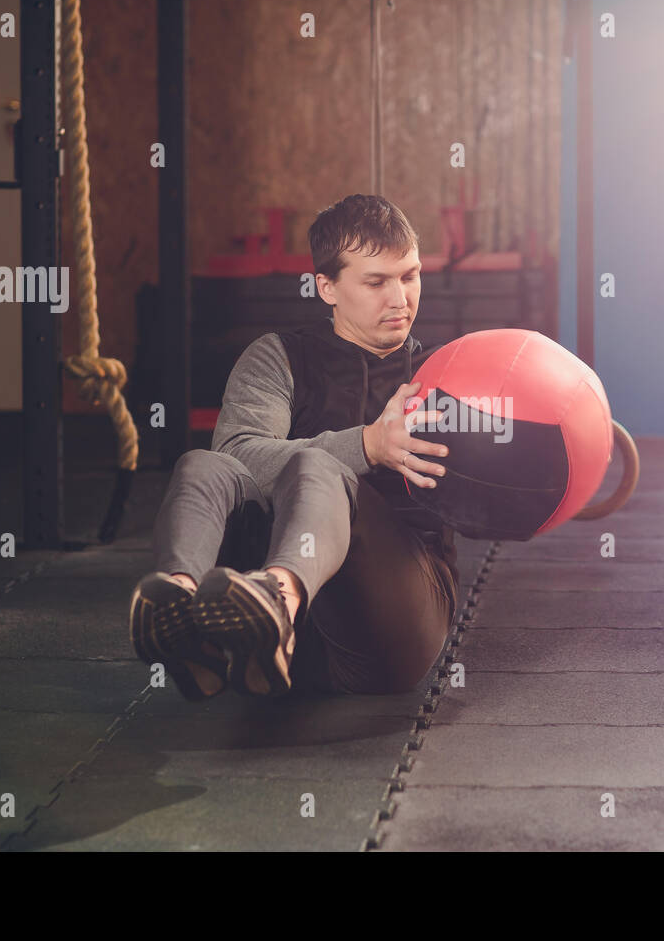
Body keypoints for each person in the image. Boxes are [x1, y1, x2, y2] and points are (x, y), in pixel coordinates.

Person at [129, 194, 460, 700]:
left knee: (317, 467)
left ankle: (277, 606)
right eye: (376, 282)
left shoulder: (446, 373)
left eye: (410, 276)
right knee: (202, 465)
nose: (400, 299)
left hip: (393, 624)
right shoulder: (278, 357)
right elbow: (238, 456)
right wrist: (369, 445)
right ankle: (185, 619)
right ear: (326, 287)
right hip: (278, 645)